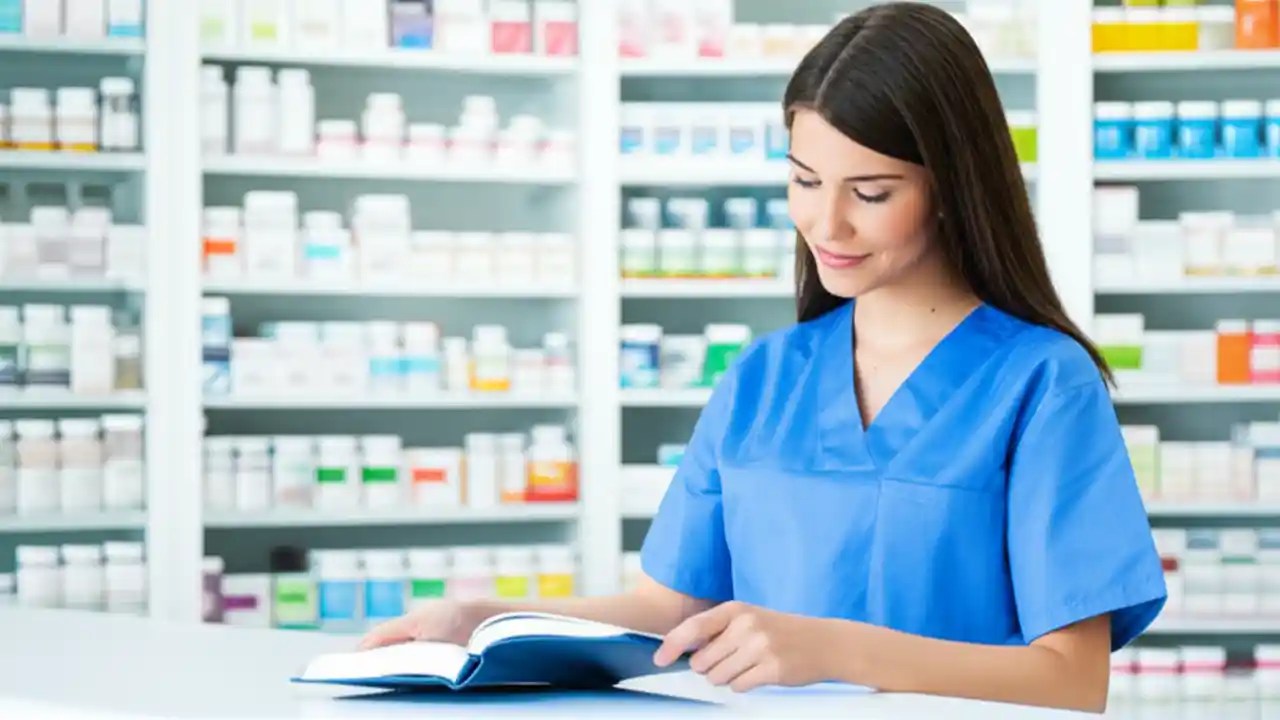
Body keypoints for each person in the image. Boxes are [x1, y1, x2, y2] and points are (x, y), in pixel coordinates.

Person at [362, 3, 1166, 712]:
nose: (827, 224)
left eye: (872, 192)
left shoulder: (1039, 383)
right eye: (805, 181)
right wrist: (482, 626)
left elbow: (1070, 680)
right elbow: (675, 614)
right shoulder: (764, 378)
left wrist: (831, 651)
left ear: (954, 185)